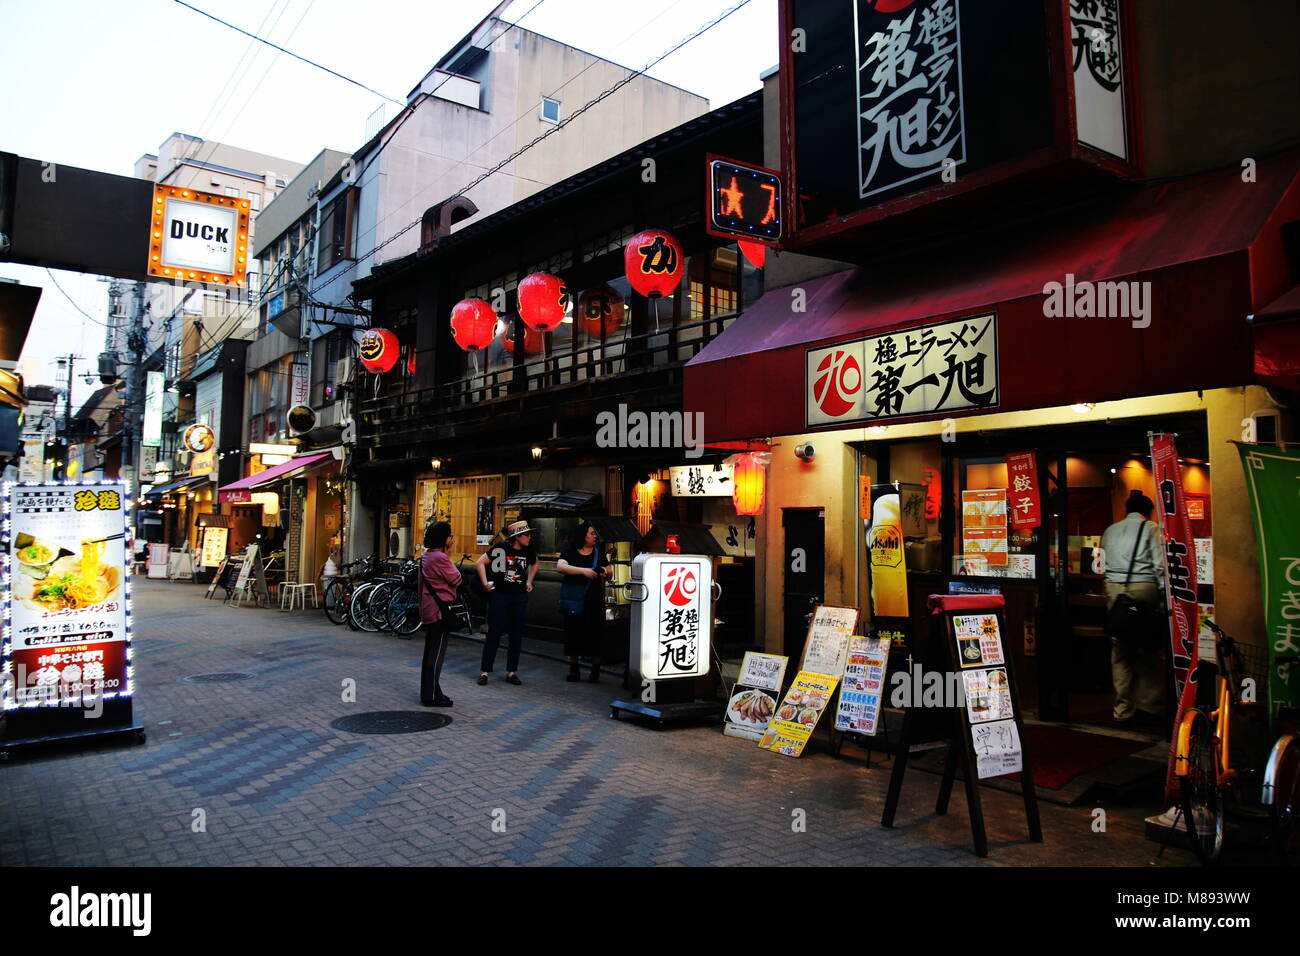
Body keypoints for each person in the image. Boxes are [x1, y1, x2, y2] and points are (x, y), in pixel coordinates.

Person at [1101, 490, 1166, 726]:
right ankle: (1150, 707)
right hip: (1143, 588)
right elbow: (1160, 566)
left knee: (1120, 653)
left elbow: (1102, 561)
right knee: (1149, 650)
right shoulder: (1151, 528)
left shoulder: (1111, 530)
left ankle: (1122, 710)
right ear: (1148, 511)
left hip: (1115, 591)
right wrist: (1165, 596)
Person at [475, 520, 537, 685]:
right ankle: (485, 672)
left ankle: (511, 672)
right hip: (500, 595)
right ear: (517, 537)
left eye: (529, 534)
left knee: (516, 635)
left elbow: (535, 563)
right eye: (526, 535)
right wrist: (485, 583)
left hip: (519, 597)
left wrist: (529, 581)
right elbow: (480, 562)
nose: (529, 537)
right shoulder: (502, 548)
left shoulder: (528, 550)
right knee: (494, 633)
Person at [556, 521, 611, 682]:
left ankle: (595, 671)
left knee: (595, 635)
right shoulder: (570, 551)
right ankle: (574, 669)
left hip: (594, 600)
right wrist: (584, 571)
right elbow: (560, 567)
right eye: (592, 533)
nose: (595, 536)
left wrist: (605, 572)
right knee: (573, 633)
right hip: (574, 600)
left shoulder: (598, 553)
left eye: (595, 533)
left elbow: (610, 572)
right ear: (583, 535)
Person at [418, 522, 461, 707]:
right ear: (443, 538)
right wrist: (449, 555)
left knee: (430, 652)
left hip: (429, 607)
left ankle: (430, 692)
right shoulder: (439, 558)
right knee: (436, 654)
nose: (452, 540)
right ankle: (432, 695)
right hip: (440, 610)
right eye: (450, 536)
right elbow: (457, 578)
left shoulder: (426, 556)